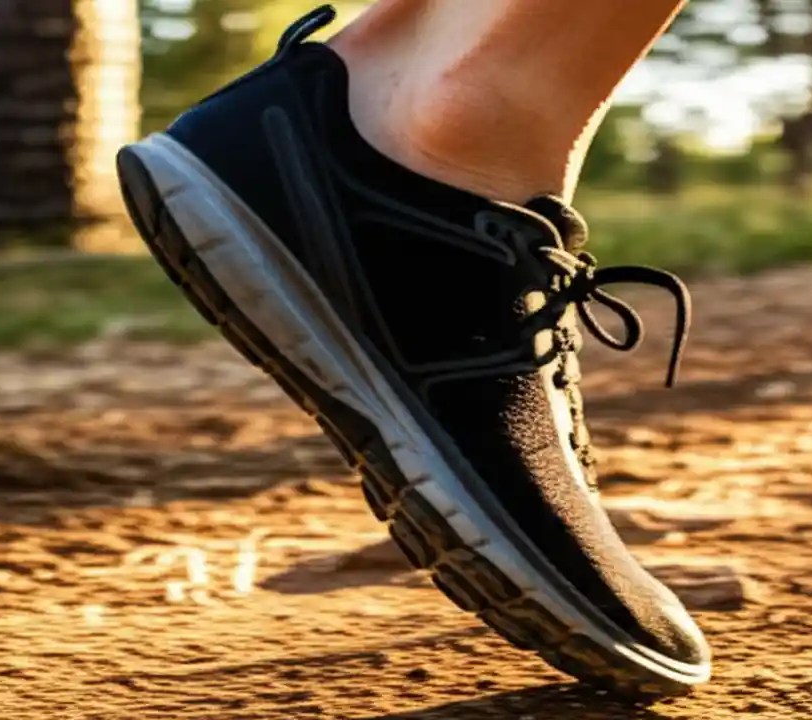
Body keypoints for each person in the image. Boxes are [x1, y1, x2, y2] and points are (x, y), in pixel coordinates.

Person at [116, 1, 704, 697]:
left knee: (424, 71)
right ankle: (455, 147)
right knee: (466, 105)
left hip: (323, 114)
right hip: (439, 161)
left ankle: (389, 93)